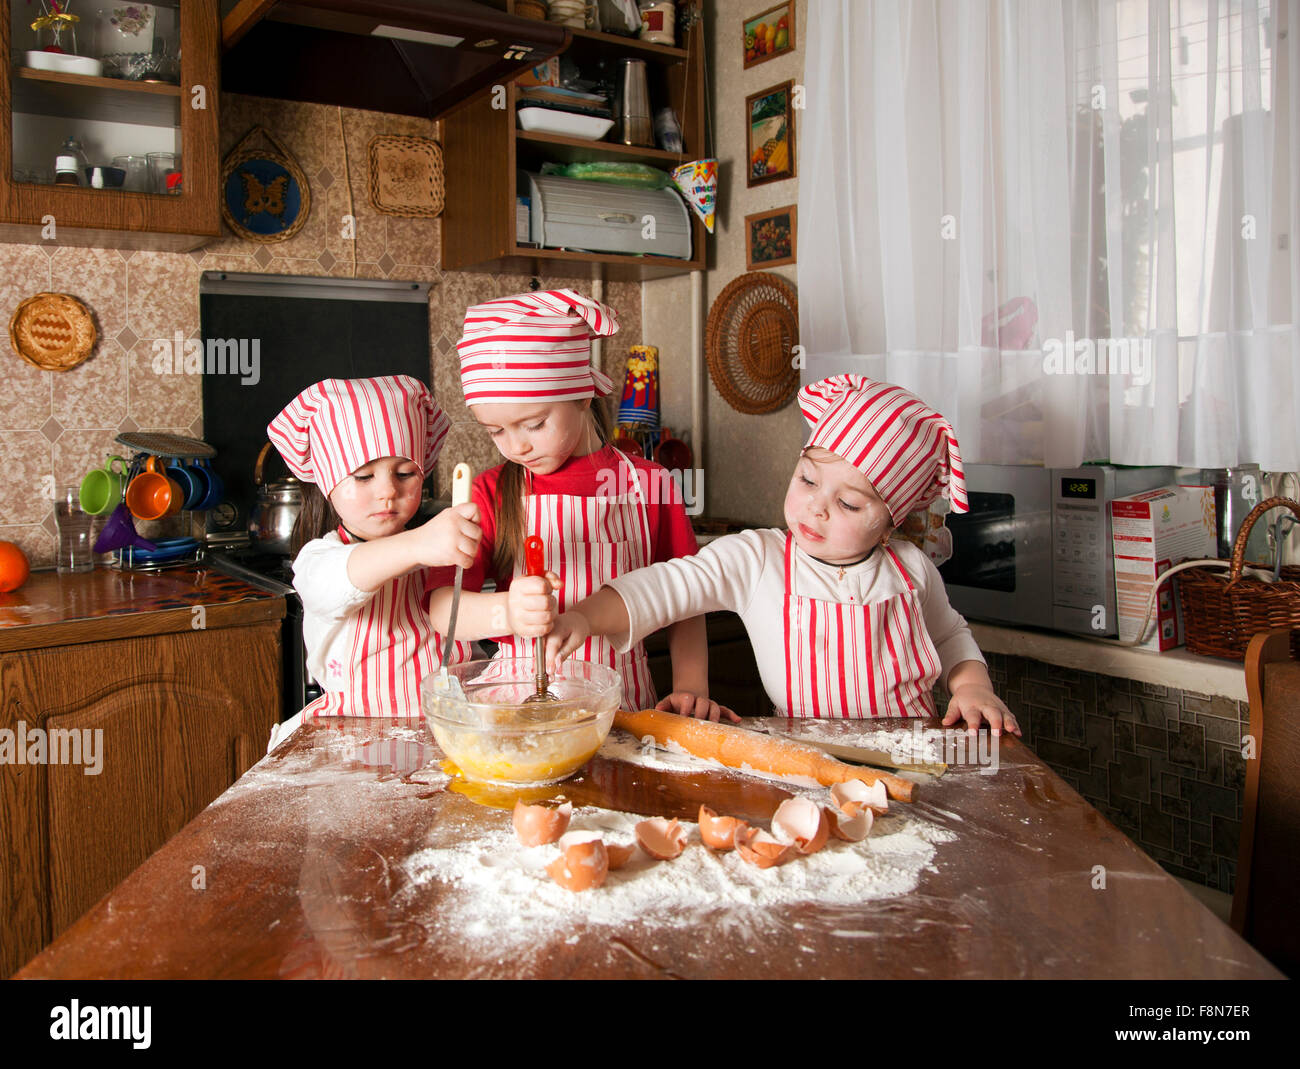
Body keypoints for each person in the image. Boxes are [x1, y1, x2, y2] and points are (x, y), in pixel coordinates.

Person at [546, 374, 1020, 733]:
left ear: (889, 523)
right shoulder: (759, 560)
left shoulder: (910, 569)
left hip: (913, 750)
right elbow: (666, 586)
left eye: (849, 503)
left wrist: (972, 686)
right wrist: (585, 618)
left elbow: (950, 635)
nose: (817, 507)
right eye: (808, 480)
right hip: (804, 756)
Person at [430, 288, 732, 721]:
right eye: (495, 431)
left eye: (533, 423)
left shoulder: (649, 484)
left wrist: (690, 687)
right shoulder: (490, 492)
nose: (515, 445)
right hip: (519, 715)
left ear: (582, 395)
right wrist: (507, 612)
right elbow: (445, 610)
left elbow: (686, 597)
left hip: (624, 705)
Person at [265, 375, 544, 748]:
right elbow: (339, 579)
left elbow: (467, 635)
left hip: (449, 732)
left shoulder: (438, 548)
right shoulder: (319, 559)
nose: (387, 492)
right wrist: (419, 544)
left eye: (404, 473)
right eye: (363, 476)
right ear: (328, 484)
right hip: (357, 739)